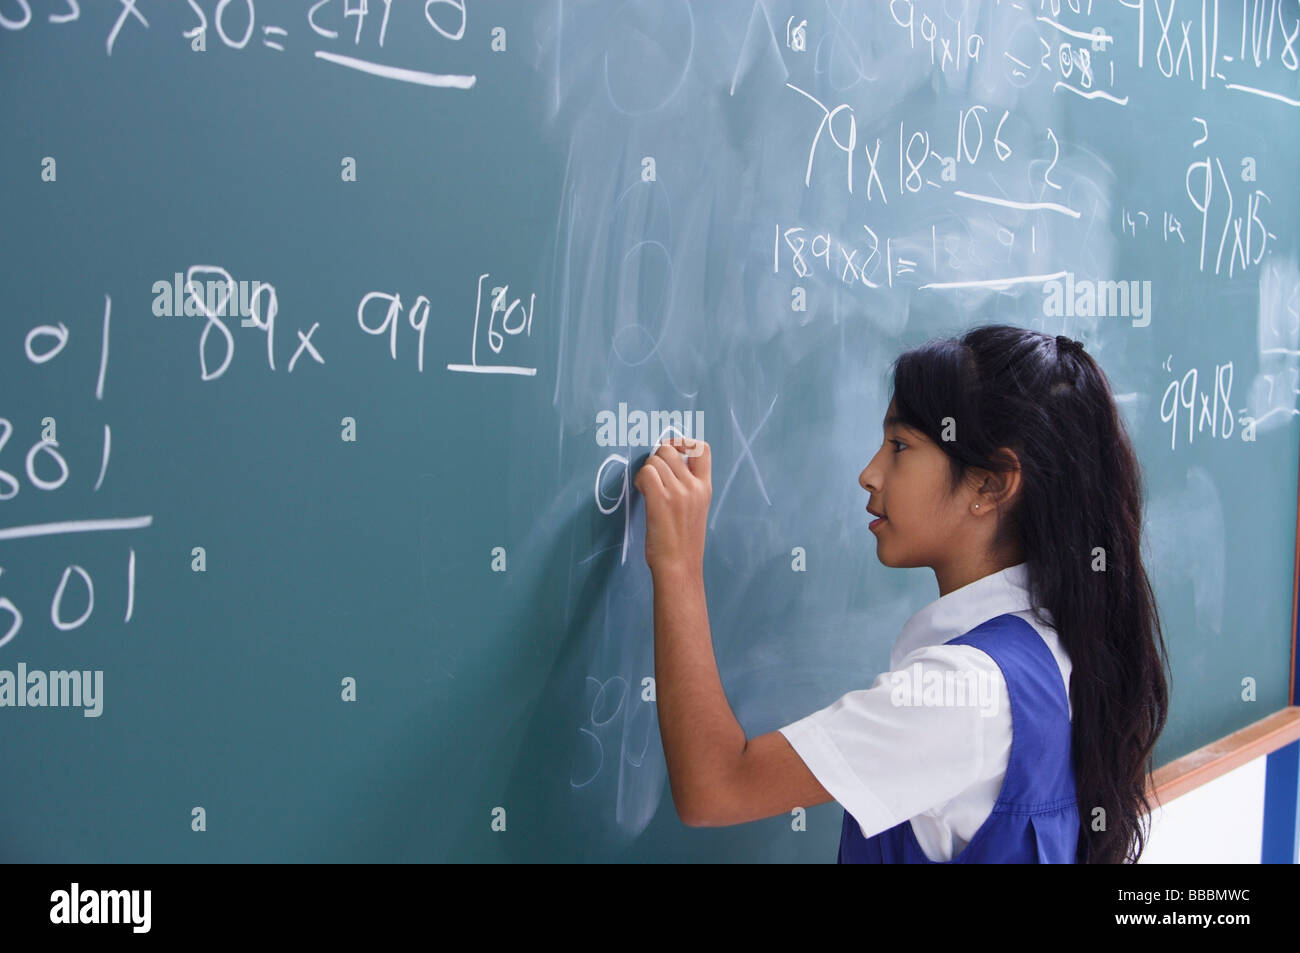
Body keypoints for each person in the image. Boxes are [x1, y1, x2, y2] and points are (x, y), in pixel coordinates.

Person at [634, 324, 1171, 863]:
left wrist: (677, 563)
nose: (870, 474)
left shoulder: (963, 693)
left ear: (990, 484)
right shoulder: (1057, 638)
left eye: (899, 446)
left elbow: (717, 786)